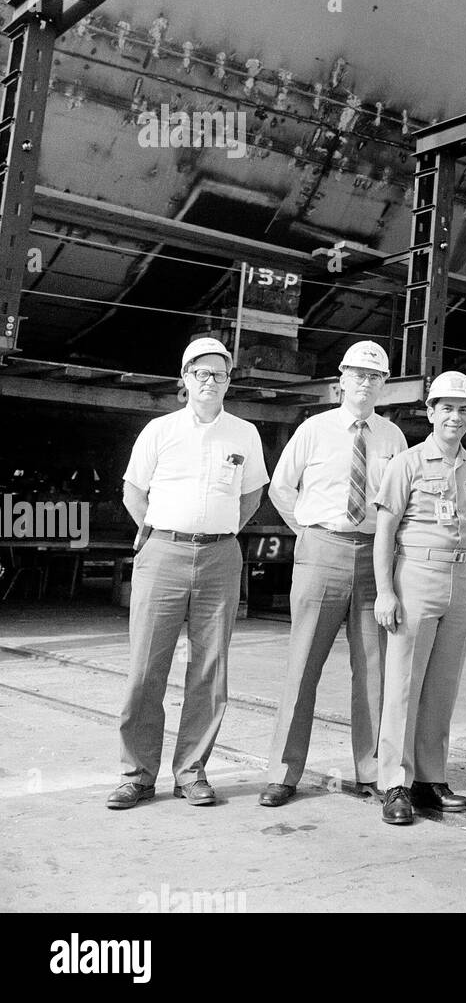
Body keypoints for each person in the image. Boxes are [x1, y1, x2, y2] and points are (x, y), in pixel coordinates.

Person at [108, 338, 267, 809]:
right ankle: (136, 775)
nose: (211, 383)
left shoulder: (244, 433)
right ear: (185, 378)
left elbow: (251, 496)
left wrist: (219, 531)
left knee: (210, 669)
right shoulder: (159, 431)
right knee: (145, 667)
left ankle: (191, 771)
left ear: (228, 382)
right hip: (163, 555)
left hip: (220, 556)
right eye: (202, 374)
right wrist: (156, 534)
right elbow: (133, 492)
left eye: (220, 375)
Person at [258, 342, 407, 807]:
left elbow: (400, 504)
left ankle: (373, 772)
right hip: (322, 547)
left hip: (375, 559)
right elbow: (281, 486)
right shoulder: (313, 430)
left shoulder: (393, 438)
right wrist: (304, 530)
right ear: (340, 379)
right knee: (303, 664)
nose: (365, 383)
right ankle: (283, 772)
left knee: (374, 670)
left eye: (375, 376)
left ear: (384, 385)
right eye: (357, 374)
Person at [373, 371, 466, 826]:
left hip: (461, 578)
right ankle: (395, 784)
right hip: (417, 574)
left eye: (464, 409)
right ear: (430, 412)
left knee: (443, 685)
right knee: (404, 683)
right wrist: (386, 590)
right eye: (446, 408)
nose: (455, 417)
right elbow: (385, 530)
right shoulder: (407, 463)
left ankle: (430, 779)